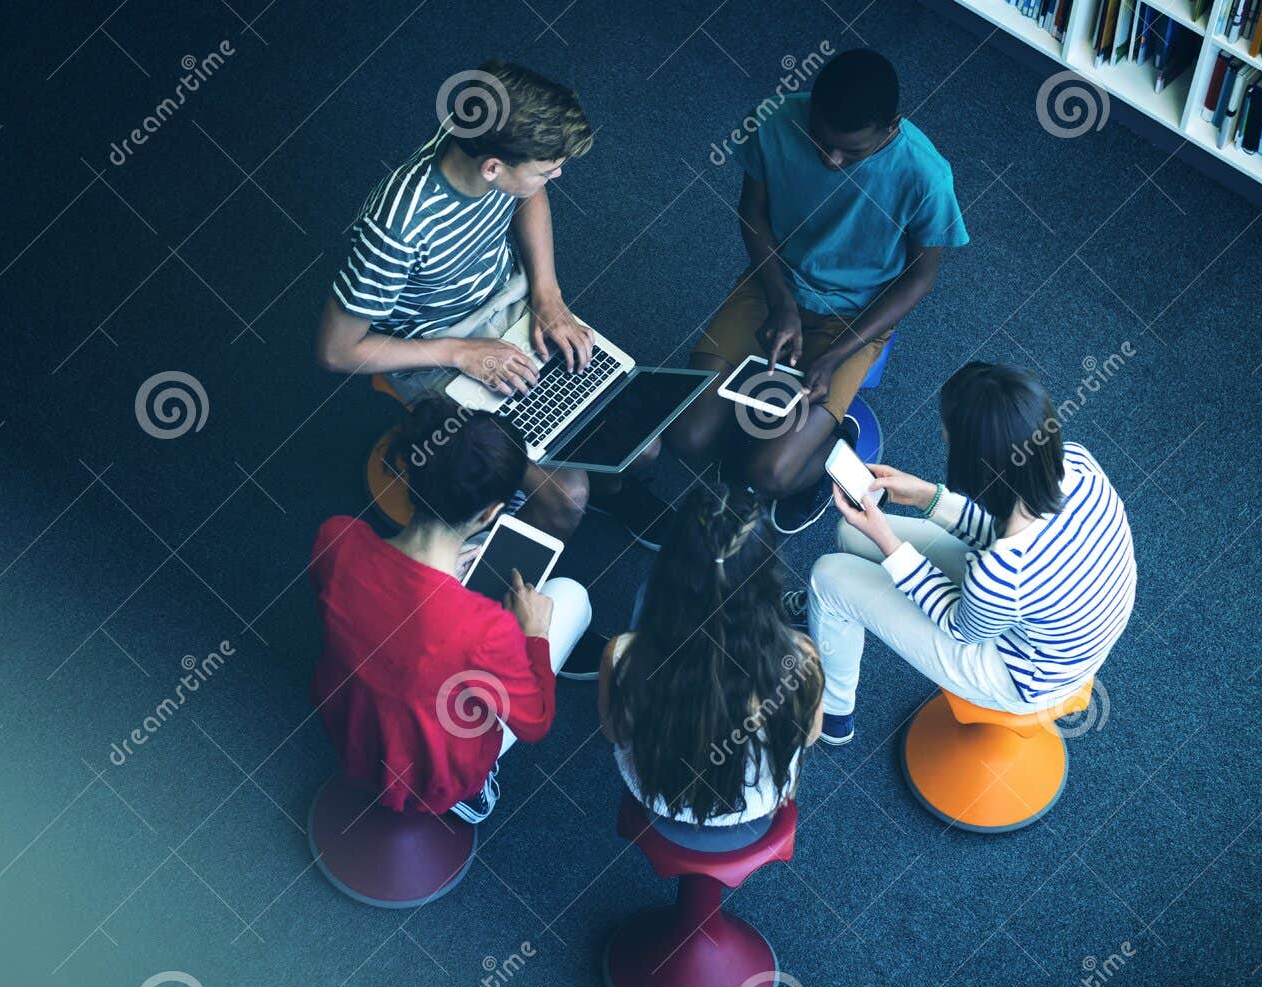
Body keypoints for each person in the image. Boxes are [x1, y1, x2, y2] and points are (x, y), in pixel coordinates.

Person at [314, 61, 671, 632]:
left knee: (641, 442)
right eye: (548, 169)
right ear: (493, 168)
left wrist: (548, 296)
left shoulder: (486, 141)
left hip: (507, 305)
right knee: (565, 497)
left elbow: (529, 194)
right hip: (432, 354)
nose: (556, 177)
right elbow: (337, 351)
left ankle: (610, 483)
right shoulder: (395, 231)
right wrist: (461, 352)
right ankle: (496, 613)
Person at [667, 47, 970, 535]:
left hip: (854, 317)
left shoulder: (926, 176)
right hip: (771, 286)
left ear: (891, 129)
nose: (831, 160)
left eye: (851, 152)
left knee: (769, 475)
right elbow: (753, 212)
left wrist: (835, 355)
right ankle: (783, 433)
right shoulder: (773, 121)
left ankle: (837, 443)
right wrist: (781, 301)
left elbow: (920, 277)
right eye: (820, 141)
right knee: (686, 436)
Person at [800, 363, 1137, 745]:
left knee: (827, 576)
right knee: (850, 534)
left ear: (974, 466)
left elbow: (958, 625)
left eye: (948, 443)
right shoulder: (1077, 464)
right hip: (1063, 624)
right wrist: (927, 497)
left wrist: (889, 543)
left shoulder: (1002, 573)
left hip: (1020, 674)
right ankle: (828, 618)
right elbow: (1006, 525)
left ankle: (833, 714)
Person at [310, 397, 592, 823]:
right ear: (492, 512)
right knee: (571, 596)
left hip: (344, 726)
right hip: (433, 780)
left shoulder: (337, 537)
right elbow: (535, 722)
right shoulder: (490, 630)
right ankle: (470, 793)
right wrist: (534, 634)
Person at [599, 484, 823, 851]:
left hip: (659, 796)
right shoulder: (801, 659)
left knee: (641, 600)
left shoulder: (623, 655)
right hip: (757, 804)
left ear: (671, 567)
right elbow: (810, 737)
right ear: (767, 576)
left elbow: (614, 732)